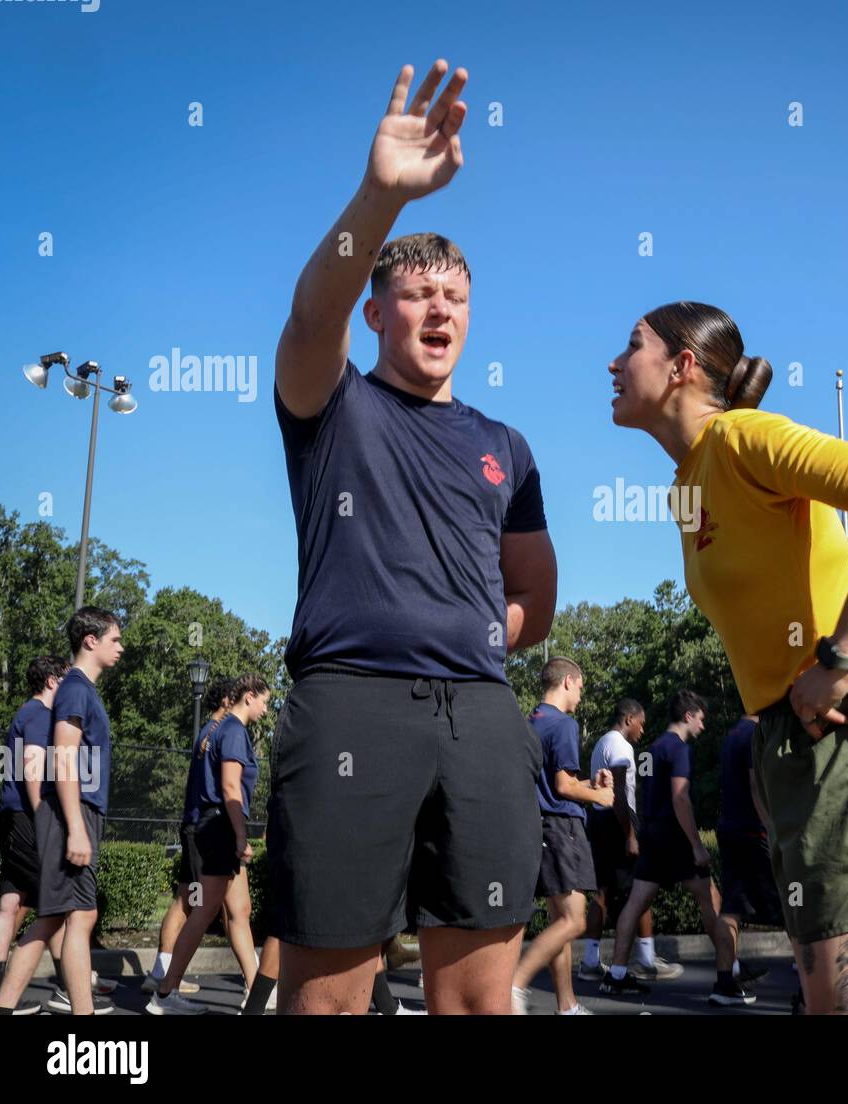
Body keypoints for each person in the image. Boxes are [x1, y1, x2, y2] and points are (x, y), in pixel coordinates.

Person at [268, 58, 555, 1014]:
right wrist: (379, 195)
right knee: (330, 1004)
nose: (441, 310)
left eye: (457, 298)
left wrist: (473, 640)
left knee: (478, 1002)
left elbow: (534, 595)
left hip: (479, 715)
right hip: (352, 702)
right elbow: (310, 315)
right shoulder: (331, 402)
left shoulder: (505, 446)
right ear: (377, 312)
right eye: (419, 294)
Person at [608, 303, 848, 1013]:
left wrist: (836, 659)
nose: (614, 363)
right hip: (791, 738)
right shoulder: (686, 488)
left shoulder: (746, 435)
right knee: (823, 1002)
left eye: (632, 346)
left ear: (683, 365)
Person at [0, 607, 124, 1017]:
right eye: (114, 639)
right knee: (81, 915)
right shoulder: (74, 688)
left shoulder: (80, 689)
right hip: (73, 811)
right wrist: (75, 828)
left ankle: (3, 1005)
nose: (120, 647)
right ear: (91, 640)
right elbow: (63, 759)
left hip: (77, 812)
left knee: (53, 917)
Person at [600, 691, 750, 1007]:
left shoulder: (652, 748)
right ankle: (727, 978)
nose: (703, 726)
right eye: (701, 719)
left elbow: (642, 790)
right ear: (688, 715)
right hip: (675, 837)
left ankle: (615, 975)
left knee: (635, 903)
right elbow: (680, 798)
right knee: (712, 899)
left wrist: (639, 834)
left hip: (652, 834)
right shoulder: (680, 749)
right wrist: (696, 845)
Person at [147, 674, 270, 1014]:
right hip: (219, 828)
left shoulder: (220, 730)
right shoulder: (232, 731)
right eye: (264, 701)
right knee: (202, 912)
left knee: (239, 910)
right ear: (248, 696)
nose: (265, 709)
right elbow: (231, 789)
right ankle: (165, 991)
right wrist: (241, 835)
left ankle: (257, 989)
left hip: (215, 826)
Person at [511, 658, 613, 1015]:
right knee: (575, 922)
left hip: (540, 828)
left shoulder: (531, 722)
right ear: (568, 681)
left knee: (560, 923)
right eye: (582, 688)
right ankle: (516, 983)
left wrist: (589, 783)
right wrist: (599, 797)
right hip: (562, 831)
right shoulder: (565, 724)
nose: (581, 697)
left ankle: (567, 1006)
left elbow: (553, 787)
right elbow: (563, 786)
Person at [142, 676, 234, 997]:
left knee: (187, 900)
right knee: (202, 903)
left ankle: (162, 972)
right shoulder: (218, 734)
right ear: (226, 700)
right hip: (203, 830)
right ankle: (169, 981)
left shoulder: (205, 733)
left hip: (193, 827)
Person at [580, 698, 681, 982]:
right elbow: (620, 794)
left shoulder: (601, 743)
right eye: (641, 723)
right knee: (641, 887)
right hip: (618, 820)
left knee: (601, 892)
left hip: (599, 820)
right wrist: (630, 835)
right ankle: (646, 960)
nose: (642, 729)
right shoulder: (622, 747)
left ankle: (590, 961)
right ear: (628, 719)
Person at [0, 657, 68, 1015]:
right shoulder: (41, 713)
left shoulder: (25, 712)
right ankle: (68, 988)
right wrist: (44, 819)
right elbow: (32, 766)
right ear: (53, 681)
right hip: (27, 817)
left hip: (10, 816)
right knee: (60, 902)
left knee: (9, 905)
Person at [715, 714, 777, 989]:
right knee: (794, 902)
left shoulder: (731, 735)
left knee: (731, 907)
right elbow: (755, 785)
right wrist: (771, 829)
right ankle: (809, 988)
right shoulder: (754, 735)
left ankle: (725, 982)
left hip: (730, 829)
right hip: (753, 831)